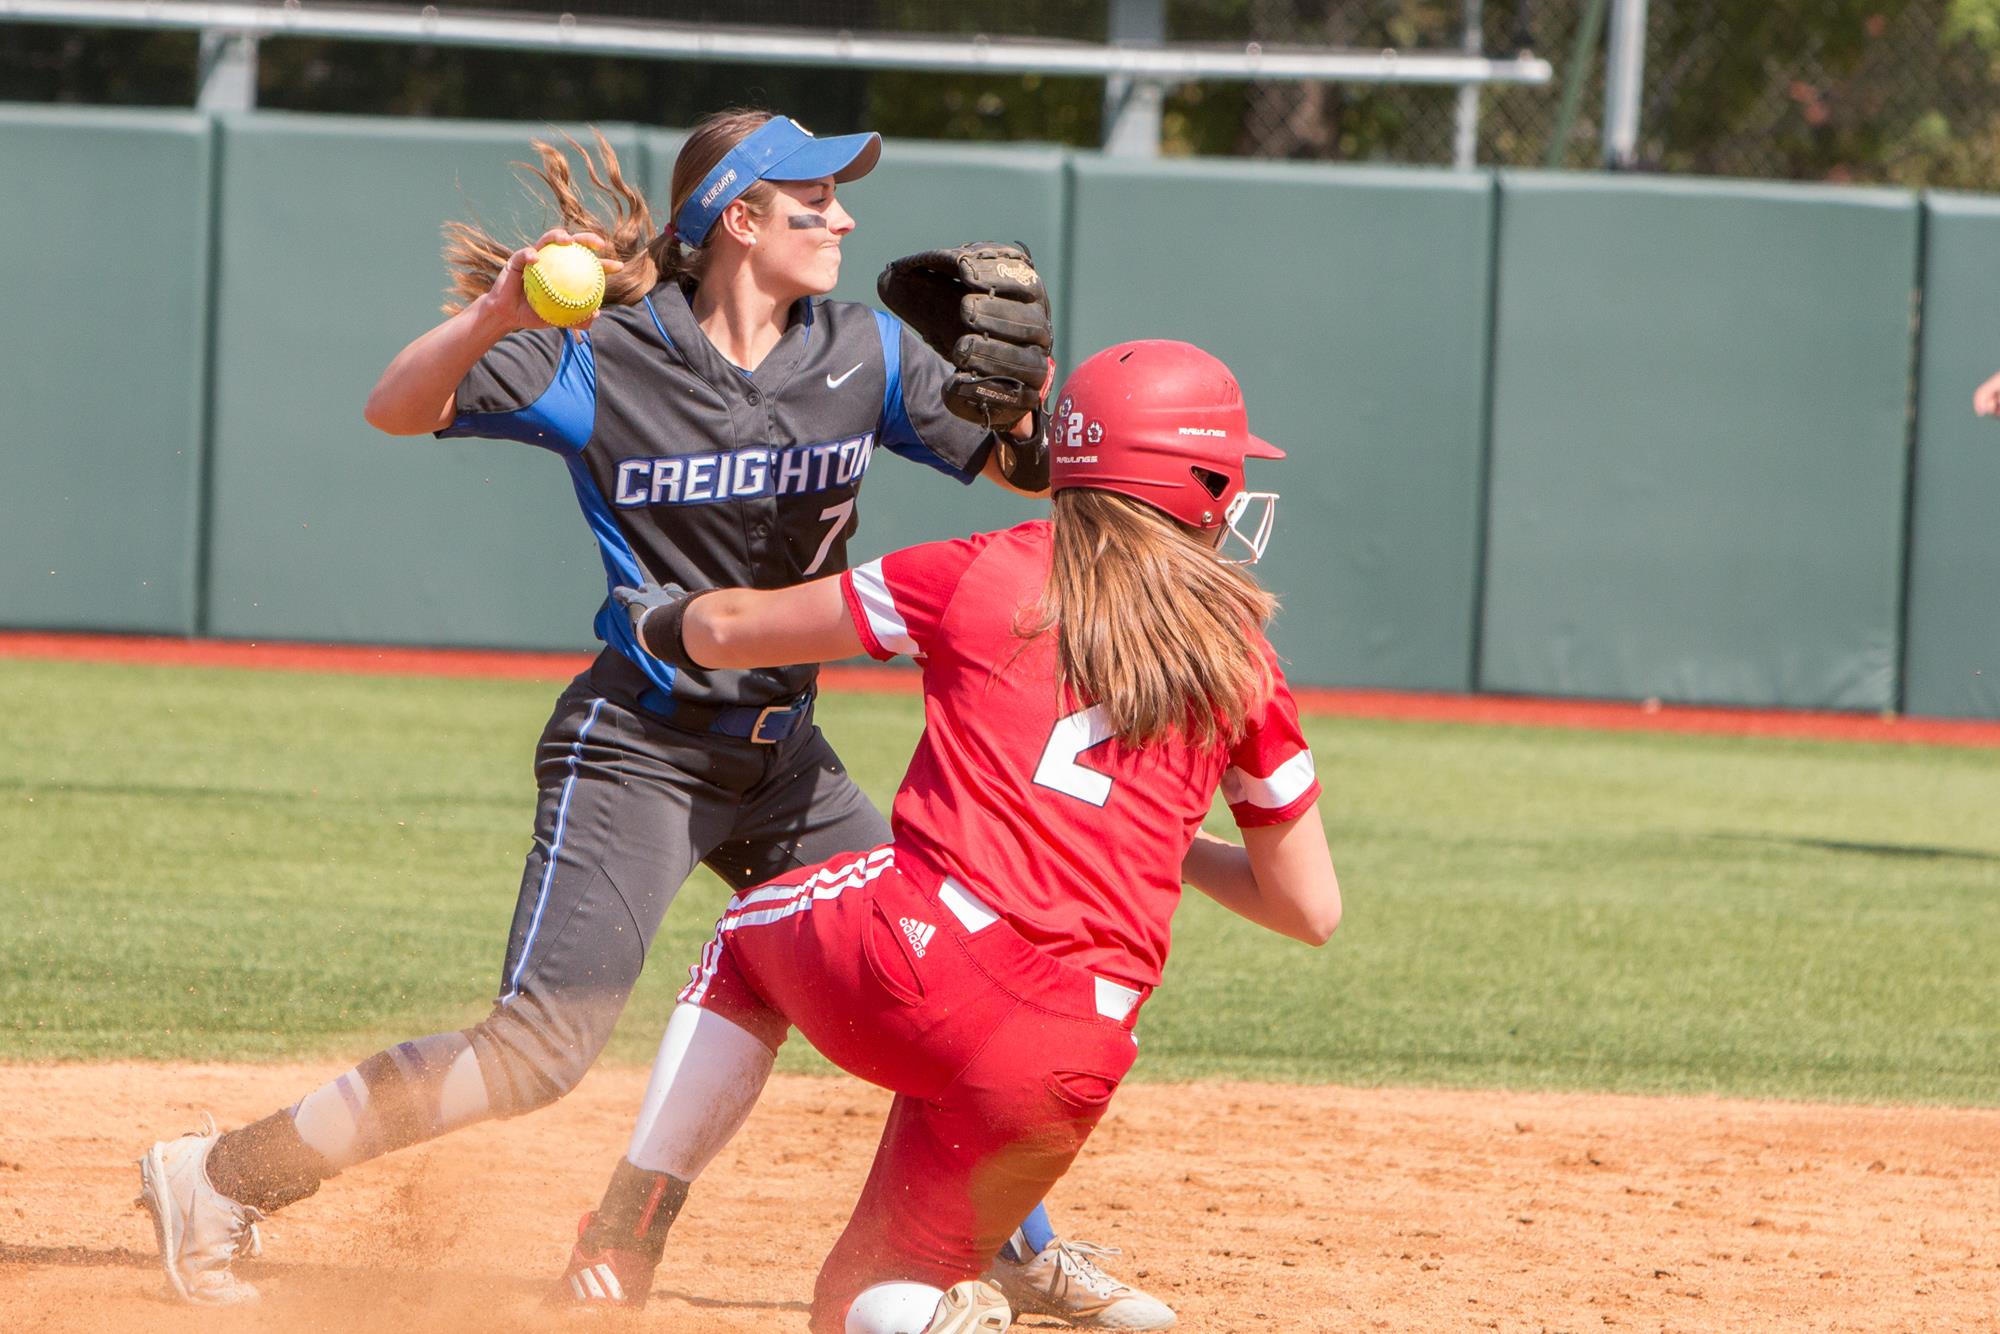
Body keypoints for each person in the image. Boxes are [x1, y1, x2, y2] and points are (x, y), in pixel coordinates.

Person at [135, 109, 1171, 1329]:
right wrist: (495, 316)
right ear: (739, 220)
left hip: (783, 756)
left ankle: (1000, 1242)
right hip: (637, 746)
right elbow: (395, 406)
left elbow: (1025, 475)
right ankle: (219, 1177)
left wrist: (1025, 412)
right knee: (536, 1050)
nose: (842, 218)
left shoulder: (864, 348)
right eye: (812, 202)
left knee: (946, 974)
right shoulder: (607, 355)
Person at [553, 339, 1341, 1334]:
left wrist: (663, 621)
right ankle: (919, 1315)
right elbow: (1308, 909)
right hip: (1075, 1049)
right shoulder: (1245, 661)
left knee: (745, 942)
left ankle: (622, 1238)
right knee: (862, 1298)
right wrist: (1158, 840)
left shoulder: (987, 570)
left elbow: (736, 630)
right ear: (1196, 483)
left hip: (920, 958)